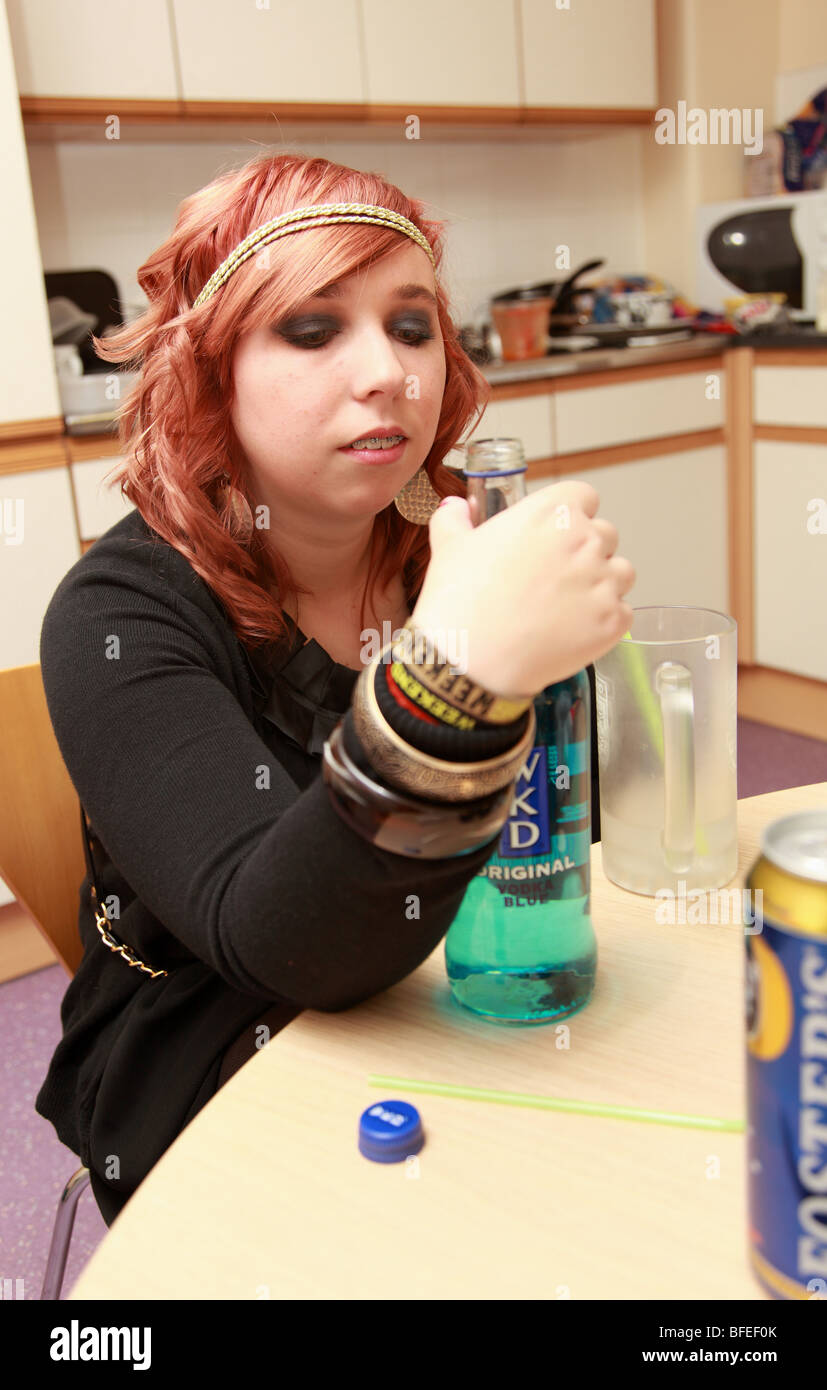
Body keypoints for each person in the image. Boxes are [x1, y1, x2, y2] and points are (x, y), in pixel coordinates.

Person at [35, 152, 635, 1227]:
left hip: (461, 994)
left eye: (411, 327)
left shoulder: (462, 549)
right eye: (312, 330)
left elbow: (566, 843)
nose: (388, 373)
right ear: (209, 373)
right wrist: (455, 672)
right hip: (221, 1041)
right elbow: (283, 943)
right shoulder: (118, 615)